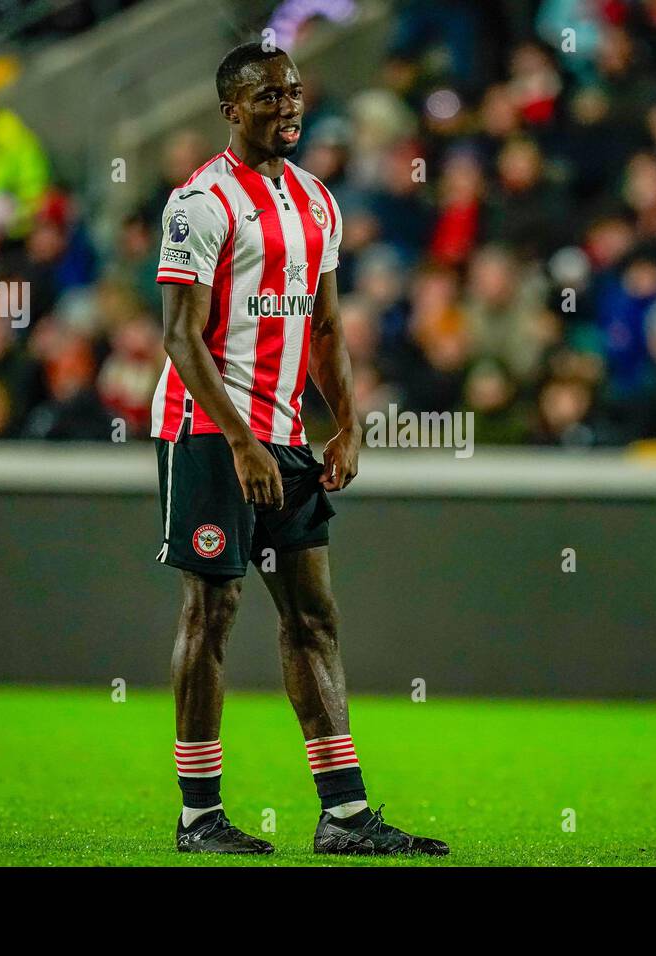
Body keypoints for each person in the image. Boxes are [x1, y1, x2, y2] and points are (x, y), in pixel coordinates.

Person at [153, 41, 448, 856]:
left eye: (292, 94)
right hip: (208, 434)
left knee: (314, 617)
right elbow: (180, 338)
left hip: (285, 437)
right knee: (212, 610)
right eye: (267, 97)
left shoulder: (317, 200)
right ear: (230, 110)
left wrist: (346, 422)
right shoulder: (199, 204)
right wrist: (241, 440)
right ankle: (199, 817)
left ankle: (345, 816)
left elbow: (323, 327)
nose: (286, 107)